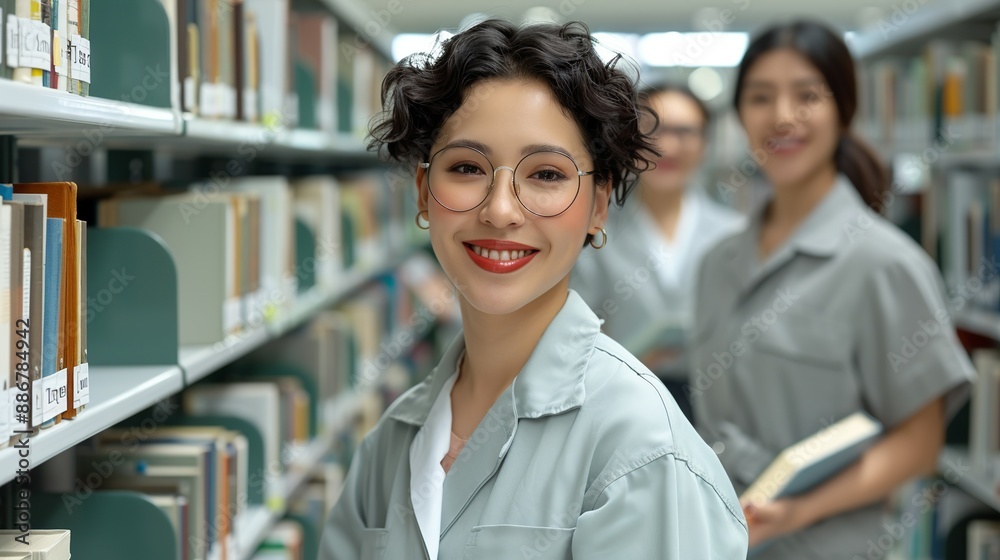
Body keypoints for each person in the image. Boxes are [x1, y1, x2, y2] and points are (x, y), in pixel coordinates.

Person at [319, 18, 748, 560]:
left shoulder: (641, 448)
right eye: (468, 167)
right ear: (425, 193)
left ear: (596, 205)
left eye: (546, 174)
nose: (500, 210)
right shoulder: (391, 442)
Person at [688, 19, 974, 558]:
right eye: (760, 97)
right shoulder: (716, 263)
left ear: (844, 108)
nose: (782, 117)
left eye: (807, 95)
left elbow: (918, 443)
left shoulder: (886, 265)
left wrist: (799, 510)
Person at [571, 82, 744, 420]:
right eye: (652, 130)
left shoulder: (736, 233)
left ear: (706, 143)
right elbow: (575, 329)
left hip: (717, 408)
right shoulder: (596, 233)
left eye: (685, 132)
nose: (667, 146)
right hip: (618, 404)